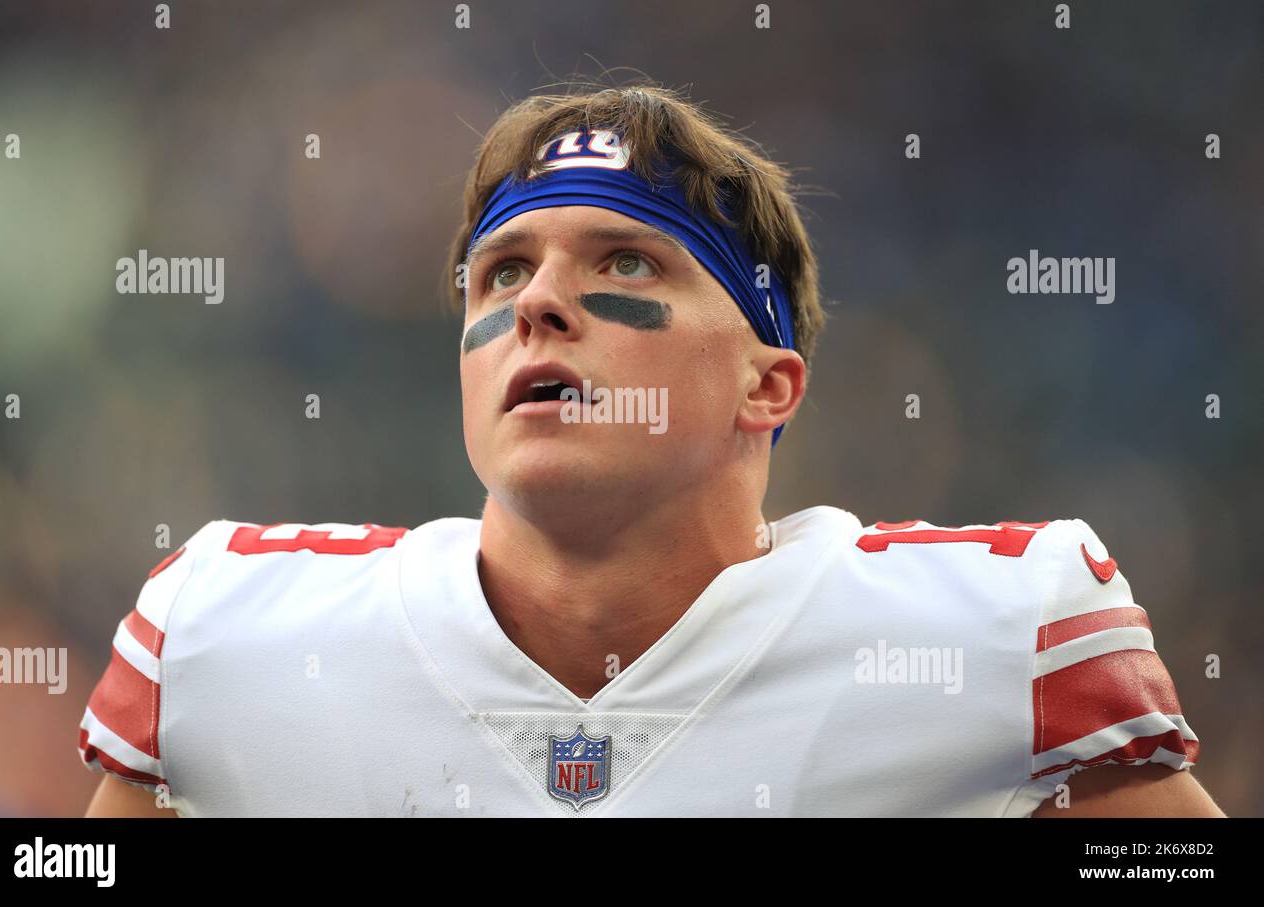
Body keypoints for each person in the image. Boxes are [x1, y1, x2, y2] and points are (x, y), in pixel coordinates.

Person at [80, 83, 1223, 817]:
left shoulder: (999, 644)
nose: (538, 303)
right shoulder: (226, 636)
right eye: (501, 272)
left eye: (625, 261)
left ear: (766, 385)